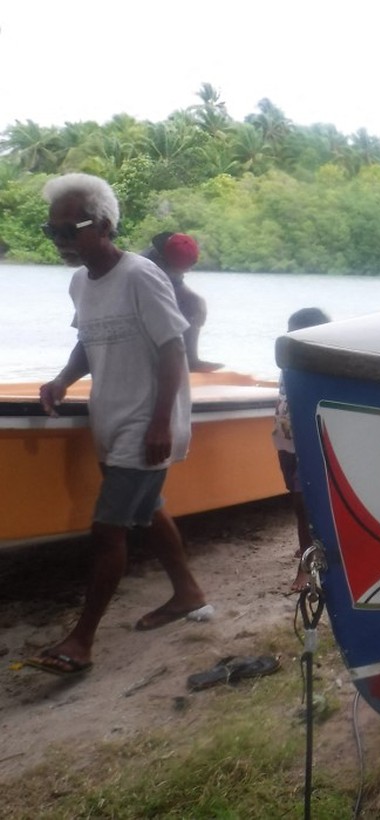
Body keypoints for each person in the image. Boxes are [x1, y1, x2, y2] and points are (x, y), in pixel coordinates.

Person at [28, 174, 211, 678]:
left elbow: (174, 350)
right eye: (54, 232)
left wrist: (159, 424)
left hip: (147, 423)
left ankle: (82, 639)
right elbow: (89, 340)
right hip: (109, 417)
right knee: (148, 510)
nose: (62, 241)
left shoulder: (141, 276)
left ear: (105, 225)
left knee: (108, 530)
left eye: (72, 229)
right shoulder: (80, 282)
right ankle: (187, 593)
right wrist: (63, 379)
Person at [274, 307, 331, 593]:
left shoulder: (323, 366)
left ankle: (306, 569)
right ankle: (307, 545)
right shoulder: (288, 363)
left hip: (308, 444)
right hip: (286, 443)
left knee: (303, 506)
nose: (291, 338)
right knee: (297, 502)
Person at [142, 231, 223, 373]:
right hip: (135, 307)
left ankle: (191, 360)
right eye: (182, 269)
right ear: (163, 261)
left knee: (194, 304)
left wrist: (198, 302)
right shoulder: (144, 267)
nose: (187, 272)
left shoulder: (170, 260)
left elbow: (180, 288)